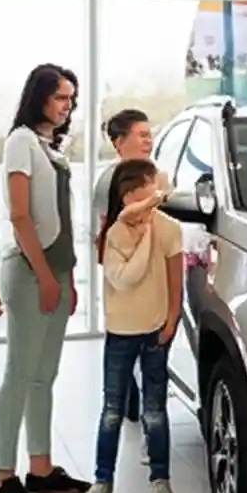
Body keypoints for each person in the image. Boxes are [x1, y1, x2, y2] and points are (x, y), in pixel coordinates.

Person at [0, 63, 90, 493]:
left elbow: (62, 219)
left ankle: (41, 468)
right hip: (31, 273)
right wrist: (47, 277)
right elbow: (19, 215)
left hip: (57, 271)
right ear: (39, 98)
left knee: (43, 376)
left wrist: (67, 278)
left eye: (70, 98)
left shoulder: (51, 146)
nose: (66, 106)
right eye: (59, 98)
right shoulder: (20, 142)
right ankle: (4, 476)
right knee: (19, 374)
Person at [71, 158, 182, 493]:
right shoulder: (114, 234)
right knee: (112, 412)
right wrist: (142, 230)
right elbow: (124, 278)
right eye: (138, 193)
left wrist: (171, 320)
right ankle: (102, 484)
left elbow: (174, 279)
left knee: (155, 412)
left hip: (154, 332)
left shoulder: (168, 229)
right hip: (120, 334)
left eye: (150, 190)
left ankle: (160, 481)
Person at [91, 109, 169, 427]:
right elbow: (102, 232)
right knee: (125, 344)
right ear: (119, 142)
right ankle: (130, 403)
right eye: (141, 134)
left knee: (153, 346)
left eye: (150, 134)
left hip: (156, 275)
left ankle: (148, 413)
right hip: (122, 276)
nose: (148, 140)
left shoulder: (160, 179)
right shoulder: (108, 181)